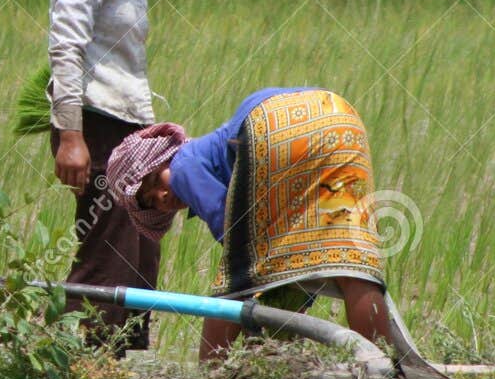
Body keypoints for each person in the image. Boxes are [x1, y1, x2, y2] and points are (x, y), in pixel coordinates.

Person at [105, 88, 391, 361]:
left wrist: (247, 281)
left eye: (154, 181)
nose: (162, 196)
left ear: (163, 156)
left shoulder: (183, 165)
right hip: (339, 119)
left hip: (271, 123)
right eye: (150, 202)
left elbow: (230, 235)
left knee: (232, 282)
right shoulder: (255, 189)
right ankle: (385, 372)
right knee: (352, 264)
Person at [47, 0, 172, 356]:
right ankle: (77, 362)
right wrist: (71, 137)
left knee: (142, 244)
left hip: (127, 125)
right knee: (109, 244)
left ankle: (113, 358)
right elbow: (66, 49)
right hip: (93, 125)